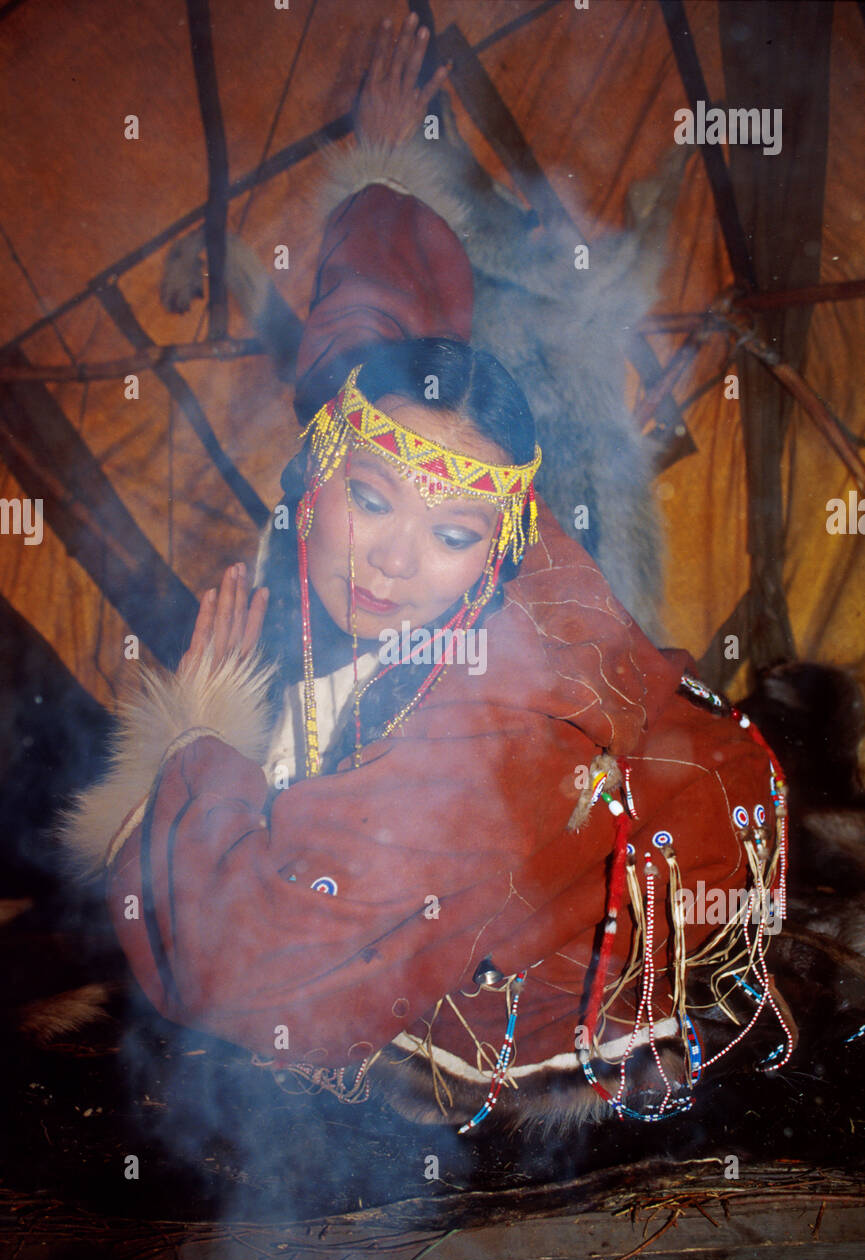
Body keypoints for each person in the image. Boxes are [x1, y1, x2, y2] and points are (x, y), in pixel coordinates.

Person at [63, 14, 795, 1133]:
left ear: (503, 540)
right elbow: (371, 320)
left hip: (555, 1014)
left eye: (454, 532)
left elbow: (251, 967)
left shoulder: (493, 711)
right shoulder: (373, 465)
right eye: (368, 500)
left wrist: (189, 744)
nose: (394, 561)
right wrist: (387, 164)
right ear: (320, 475)